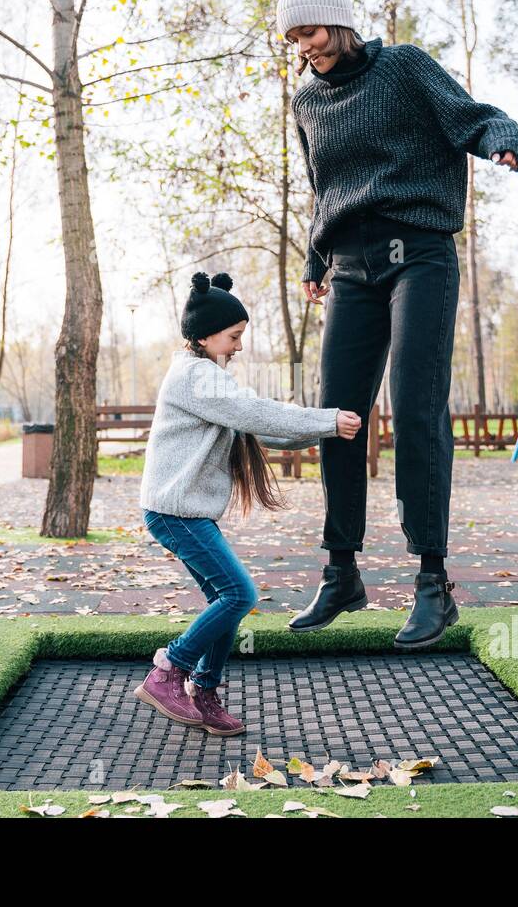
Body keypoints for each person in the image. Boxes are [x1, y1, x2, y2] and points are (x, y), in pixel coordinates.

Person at [276, 0, 518, 648]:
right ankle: (341, 572)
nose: (306, 49)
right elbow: (323, 187)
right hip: (351, 269)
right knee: (338, 419)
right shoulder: (306, 102)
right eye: (295, 40)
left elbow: (473, 117)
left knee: (417, 409)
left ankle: (432, 582)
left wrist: (502, 144)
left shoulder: (404, 67)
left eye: (313, 33)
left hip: (419, 254)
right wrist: (315, 257)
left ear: (341, 22)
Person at [136, 270, 362, 735]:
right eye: (234, 336)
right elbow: (257, 412)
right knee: (240, 595)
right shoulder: (194, 376)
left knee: (225, 598)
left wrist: (324, 432)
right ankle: (168, 671)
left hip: (187, 511)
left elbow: (263, 427)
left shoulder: (209, 375)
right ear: (206, 333)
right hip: (174, 511)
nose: (239, 346)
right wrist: (325, 420)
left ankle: (204, 688)